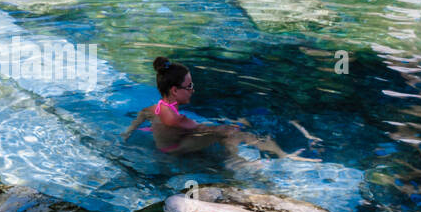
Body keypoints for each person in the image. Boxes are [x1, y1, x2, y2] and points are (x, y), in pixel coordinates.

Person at [122, 56, 294, 158]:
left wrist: (128, 132)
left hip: (165, 145)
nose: (193, 90)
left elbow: (142, 115)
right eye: (189, 86)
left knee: (224, 133)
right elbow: (209, 130)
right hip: (175, 149)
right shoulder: (176, 119)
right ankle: (280, 156)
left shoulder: (156, 108)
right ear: (174, 90)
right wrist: (239, 125)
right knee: (230, 134)